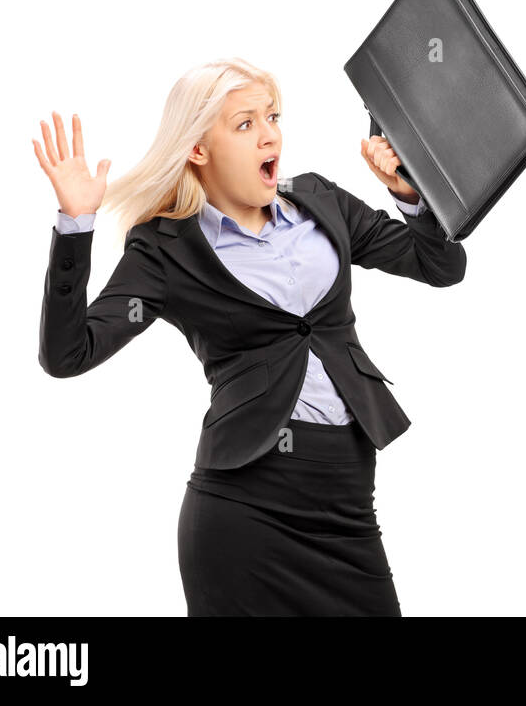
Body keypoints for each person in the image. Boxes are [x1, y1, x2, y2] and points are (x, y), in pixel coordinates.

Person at [34, 57, 466, 615]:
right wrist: (76, 226)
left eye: (273, 117)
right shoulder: (166, 250)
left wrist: (410, 196)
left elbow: (442, 265)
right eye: (245, 124)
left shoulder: (322, 203)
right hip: (243, 513)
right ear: (197, 149)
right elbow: (69, 354)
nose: (270, 136)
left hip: (347, 507)